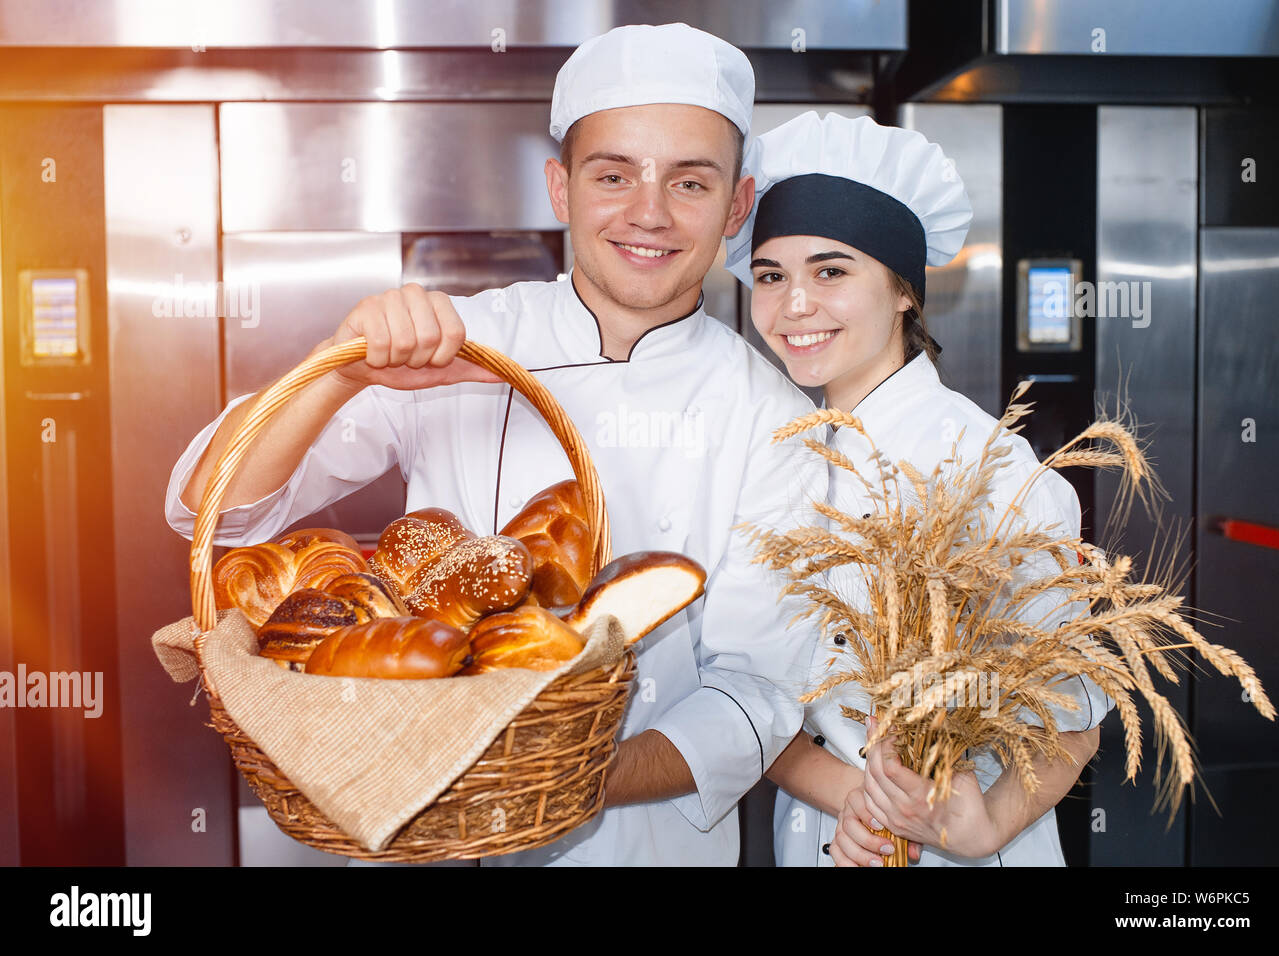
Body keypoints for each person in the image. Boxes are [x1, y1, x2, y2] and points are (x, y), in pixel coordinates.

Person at [164, 23, 825, 867]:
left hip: (646, 847)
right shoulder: (459, 342)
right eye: (613, 174)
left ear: (737, 205)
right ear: (559, 188)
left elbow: (757, 691)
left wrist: (545, 770)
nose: (648, 213)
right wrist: (340, 374)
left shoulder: (772, 415)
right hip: (418, 835)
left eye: (689, 182)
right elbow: (206, 511)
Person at [723, 111, 1113, 867]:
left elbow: (1074, 716)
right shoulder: (774, 462)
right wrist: (850, 795)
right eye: (771, 275)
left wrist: (987, 826)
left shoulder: (990, 472)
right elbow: (747, 698)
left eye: (830, 271)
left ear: (903, 290)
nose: (793, 304)